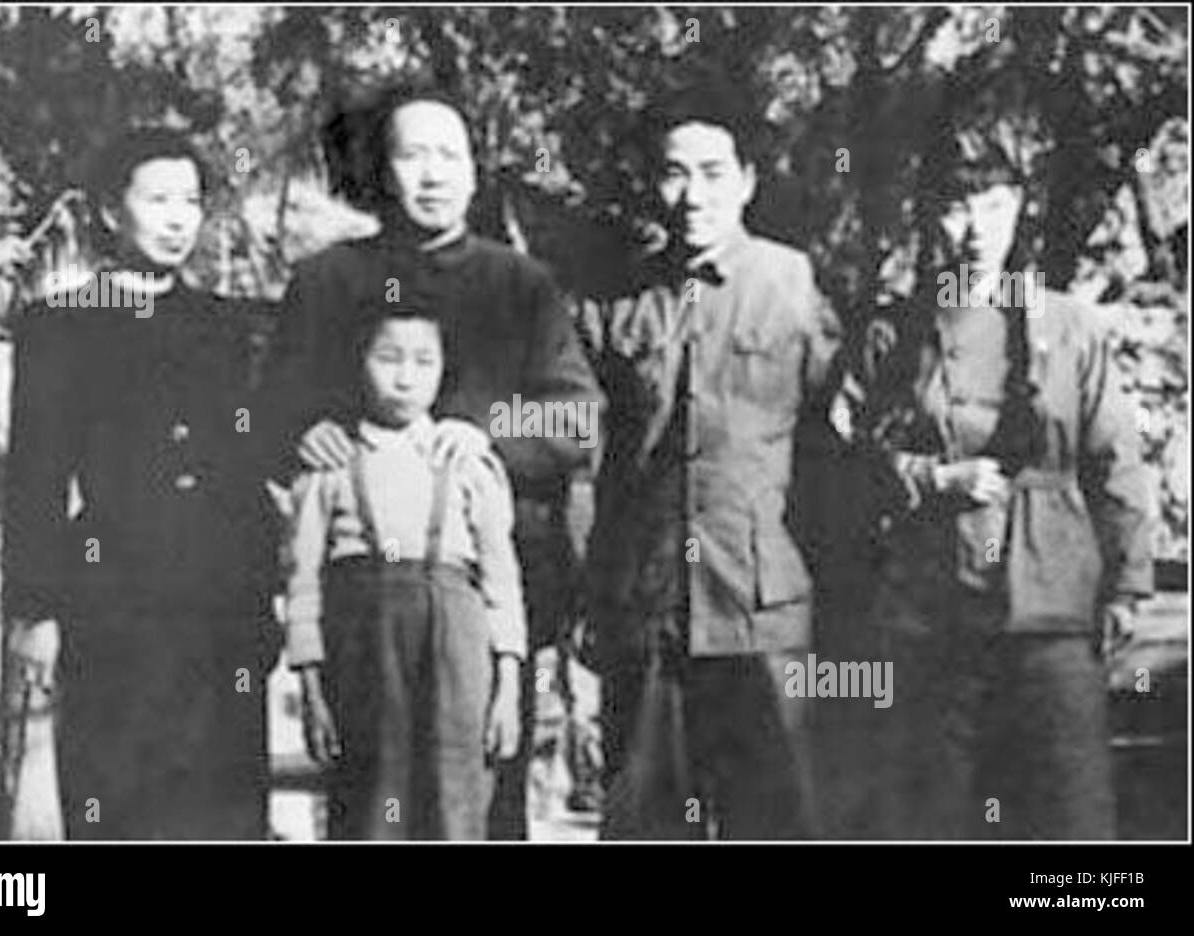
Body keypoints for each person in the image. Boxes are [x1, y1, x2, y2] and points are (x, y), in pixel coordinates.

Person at [269, 85, 604, 839]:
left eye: (450, 155)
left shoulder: (521, 285)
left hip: (484, 602)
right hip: (362, 614)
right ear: (381, 170)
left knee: (480, 808)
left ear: (477, 171)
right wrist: (303, 432)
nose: (433, 173)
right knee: (369, 809)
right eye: (412, 154)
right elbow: (263, 412)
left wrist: (489, 432)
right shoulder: (326, 283)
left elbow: (580, 418)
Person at [839, 130, 1155, 839]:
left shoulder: (1068, 325)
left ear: (1018, 209)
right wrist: (929, 476)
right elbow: (842, 464)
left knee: (1068, 823)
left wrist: (1129, 584)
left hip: (1051, 610)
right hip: (934, 614)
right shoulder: (892, 333)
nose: (976, 226)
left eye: (993, 202)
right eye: (956, 204)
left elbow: (1116, 460)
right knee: (940, 817)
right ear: (930, 214)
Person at [573, 79, 844, 839]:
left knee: (777, 820)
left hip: (764, 606)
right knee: (648, 824)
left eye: (714, 172)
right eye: (673, 172)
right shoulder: (611, 302)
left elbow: (840, 450)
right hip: (646, 604)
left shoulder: (794, 285)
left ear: (749, 181)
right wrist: (589, 597)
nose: (693, 195)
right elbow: (589, 466)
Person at [2, 127, 283, 839]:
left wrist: (265, 597)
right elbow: (35, 479)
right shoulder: (59, 328)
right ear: (108, 211)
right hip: (113, 607)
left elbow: (248, 467)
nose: (177, 218)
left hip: (222, 611)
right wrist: (35, 612)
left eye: (190, 200)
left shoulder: (228, 327)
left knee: (224, 813)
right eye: (158, 200)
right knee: (118, 802)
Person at [283, 300, 527, 840]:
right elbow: (301, 584)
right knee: (370, 801)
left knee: (455, 798)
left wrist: (508, 685)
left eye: (424, 361)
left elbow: (502, 579)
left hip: (456, 649)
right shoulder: (329, 463)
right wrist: (312, 687)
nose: (405, 376)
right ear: (358, 363)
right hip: (363, 650)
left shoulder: (468, 460)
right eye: (388, 358)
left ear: (443, 371)